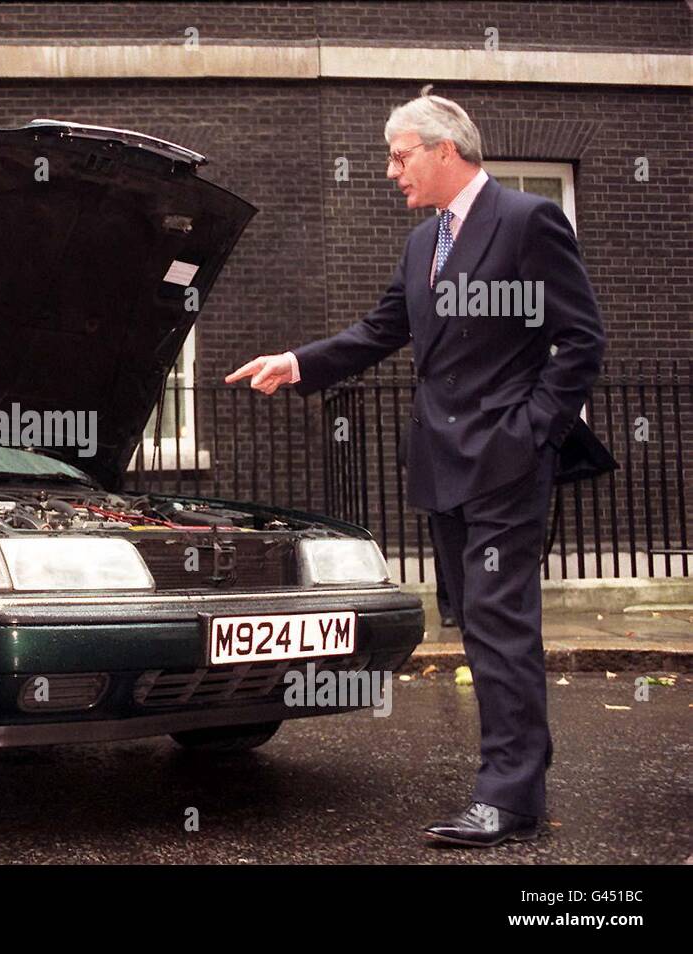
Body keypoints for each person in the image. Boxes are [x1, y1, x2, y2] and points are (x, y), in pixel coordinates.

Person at [225, 88, 605, 847]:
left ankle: (507, 797)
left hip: (503, 462)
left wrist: (532, 431)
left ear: (445, 150)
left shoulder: (527, 221)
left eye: (401, 156)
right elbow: (380, 330)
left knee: (500, 627)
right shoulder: (421, 245)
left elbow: (581, 340)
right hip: (442, 463)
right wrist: (298, 363)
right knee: (478, 626)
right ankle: (520, 775)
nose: (393, 171)